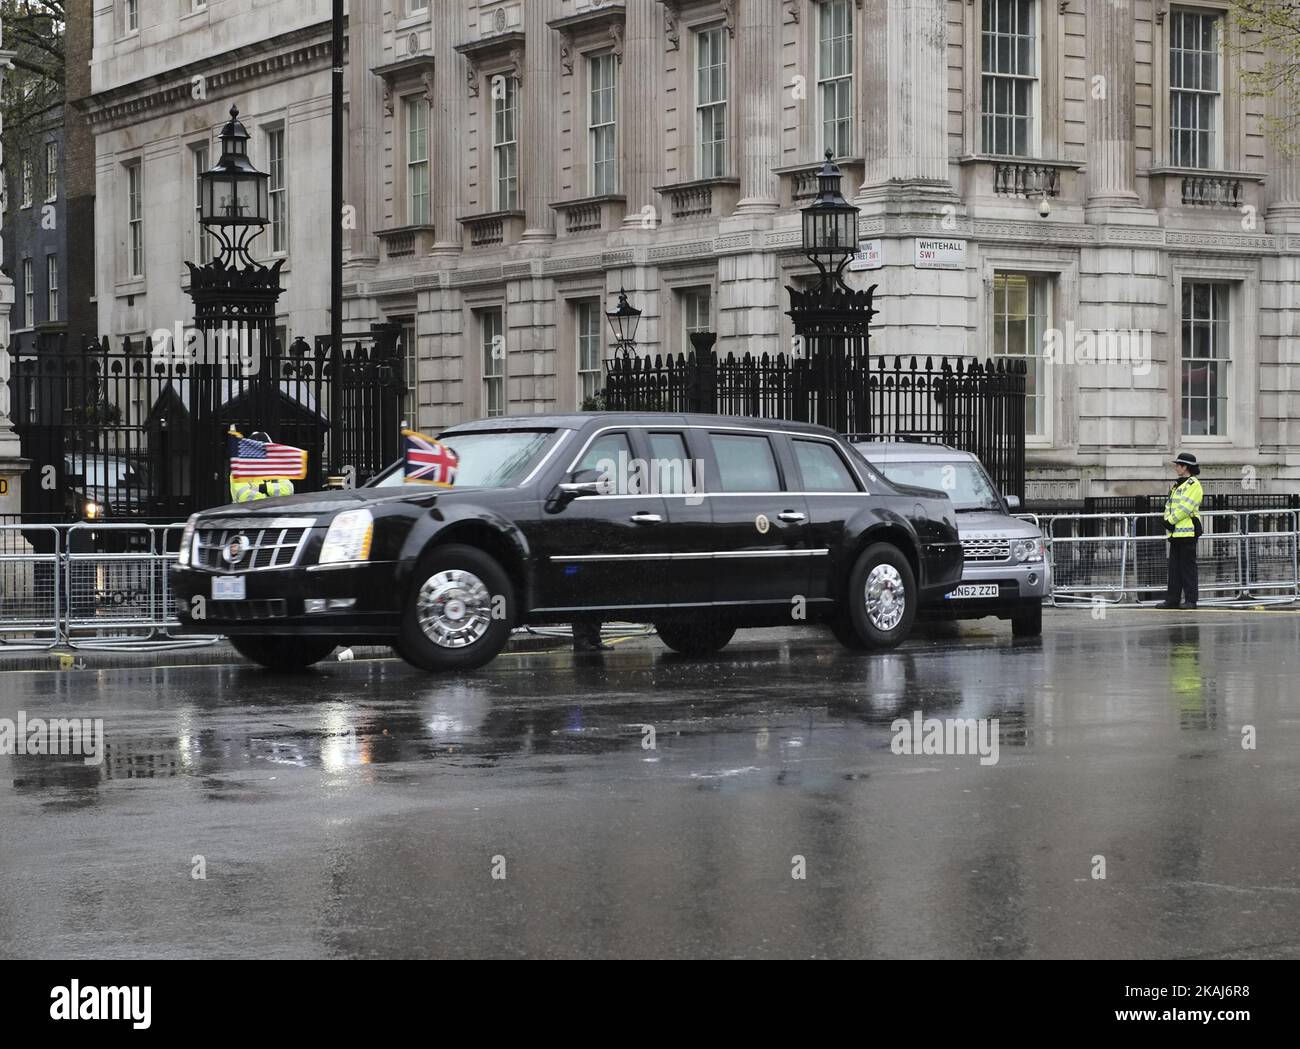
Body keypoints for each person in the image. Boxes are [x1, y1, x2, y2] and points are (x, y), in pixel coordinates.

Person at [1160, 452, 1203, 609]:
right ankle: (1172, 600)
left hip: (1187, 533)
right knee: (1174, 569)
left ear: (1186, 467)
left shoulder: (1193, 484)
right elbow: (1169, 505)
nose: (1176, 467)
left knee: (1187, 569)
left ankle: (1191, 601)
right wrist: (1167, 519)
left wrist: (1170, 521)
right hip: (1176, 533)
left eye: (1178, 465)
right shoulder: (1179, 484)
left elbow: (1186, 507)